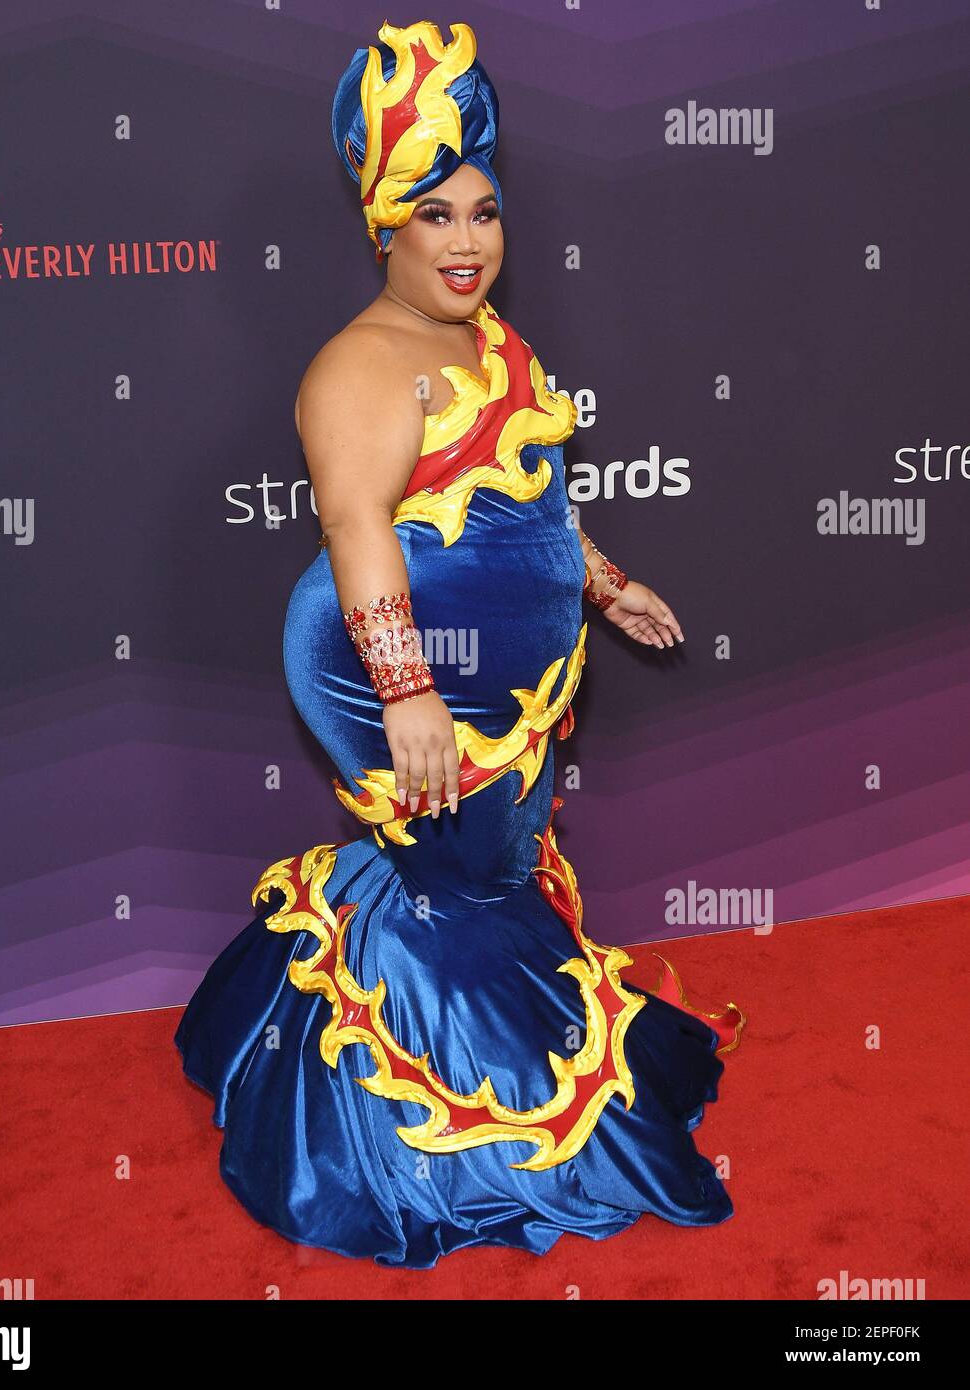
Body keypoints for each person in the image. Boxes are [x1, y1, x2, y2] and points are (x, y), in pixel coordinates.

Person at [175, 18, 745, 1269]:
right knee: (459, 882)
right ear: (386, 226)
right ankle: (443, 1139)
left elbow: (527, 499)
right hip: (389, 673)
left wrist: (602, 583)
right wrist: (409, 692)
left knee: (483, 869)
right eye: (435, 215)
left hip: (512, 684)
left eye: (484, 213)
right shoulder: (359, 365)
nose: (467, 240)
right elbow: (355, 525)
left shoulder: (490, 342)